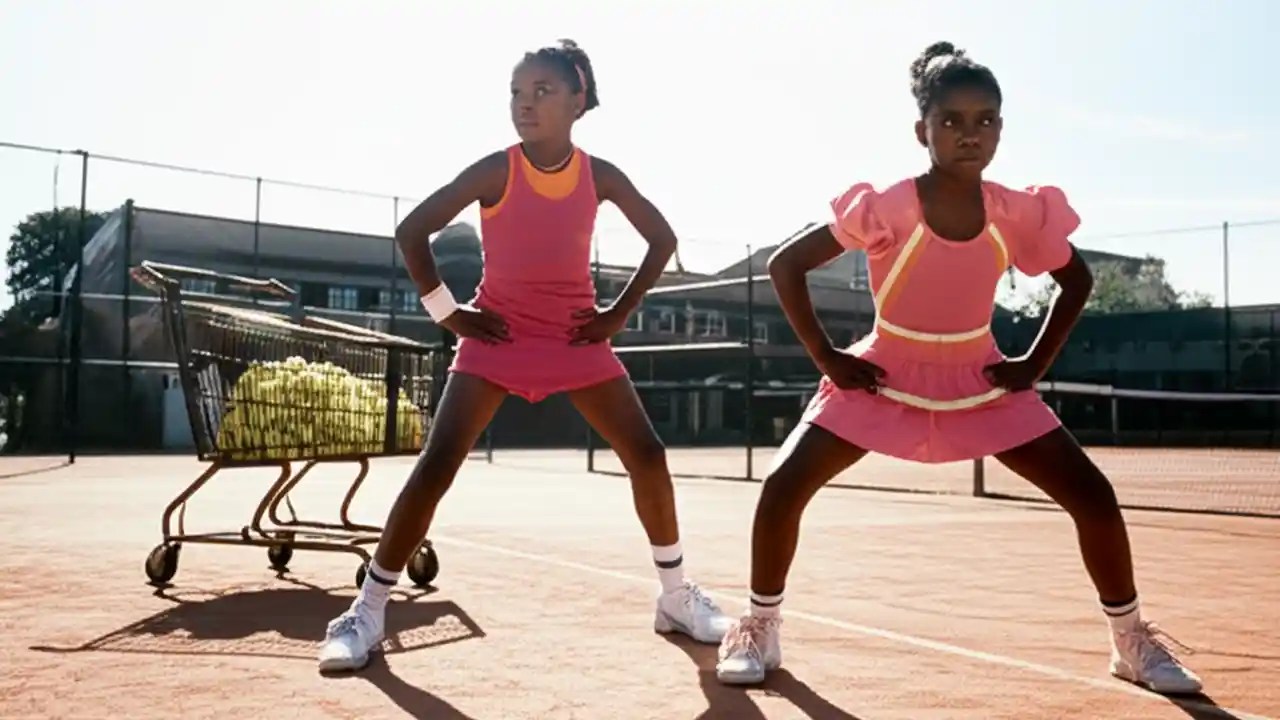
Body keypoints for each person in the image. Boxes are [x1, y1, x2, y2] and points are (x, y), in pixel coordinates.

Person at [714, 41, 1203, 696]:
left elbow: (1077, 281)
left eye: (986, 120)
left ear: (1001, 127)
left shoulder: (1016, 213)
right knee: (782, 489)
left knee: (1093, 496)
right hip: (883, 374)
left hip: (980, 380)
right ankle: (759, 627)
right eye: (952, 121)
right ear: (923, 130)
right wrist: (828, 357)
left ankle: (1132, 644)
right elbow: (786, 265)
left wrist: (1033, 362)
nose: (970, 134)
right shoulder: (886, 206)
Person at [318, 38, 731, 673]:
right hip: (496, 342)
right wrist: (450, 314)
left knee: (647, 454)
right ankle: (367, 610)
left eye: (542, 91)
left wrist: (617, 315)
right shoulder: (496, 169)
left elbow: (662, 239)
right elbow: (412, 232)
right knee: (436, 467)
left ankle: (675, 596)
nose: (525, 103)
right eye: (517, 92)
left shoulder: (602, 175)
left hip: (574, 342)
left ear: (578, 100)